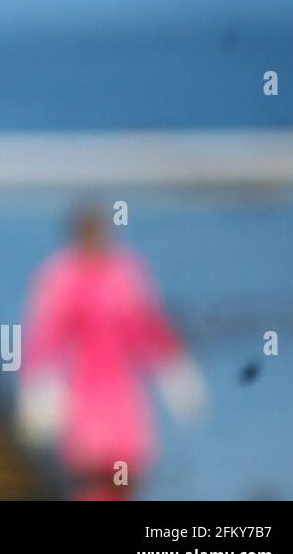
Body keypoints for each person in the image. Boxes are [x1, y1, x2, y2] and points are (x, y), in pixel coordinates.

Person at [17, 206, 206, 500]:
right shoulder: (59, 277)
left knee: (124, 475)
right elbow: (44, 336)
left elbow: (147, 325)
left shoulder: (125, 272)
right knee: (89, 478)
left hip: (122, 399)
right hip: (81, 397)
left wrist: (173, 370)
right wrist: (40, 387)